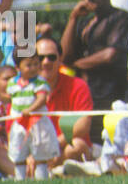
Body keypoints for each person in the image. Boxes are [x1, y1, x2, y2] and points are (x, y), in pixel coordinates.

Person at [60, 0, 128, 111]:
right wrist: (73, 19)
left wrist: (76, 65)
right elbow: (65, 56)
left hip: (112, 91)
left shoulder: (122, 18)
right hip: (86, 90)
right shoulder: (85, 23)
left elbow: (110, 55)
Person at [34, 35, 96, 165]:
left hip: (65, 148)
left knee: (76, 146)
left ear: (60, 59)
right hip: (36, 150)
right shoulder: (23, 90)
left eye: (51, 57)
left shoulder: (78, 85)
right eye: (40, 58)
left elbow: (83, 124)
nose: (46, 62)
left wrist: (55, 144)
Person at [5, 49, 61, 179]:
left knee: (40, 153)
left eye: (36, 64)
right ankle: (20, 180)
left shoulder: (40, 82)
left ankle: (42, 179)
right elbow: (9, 98)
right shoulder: (13, 83)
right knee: (18, 153)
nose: (34, 68)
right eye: (29, 65)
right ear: (18, 67)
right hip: (19, 124)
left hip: (37, 124)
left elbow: (42, 99)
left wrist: (30, 109)